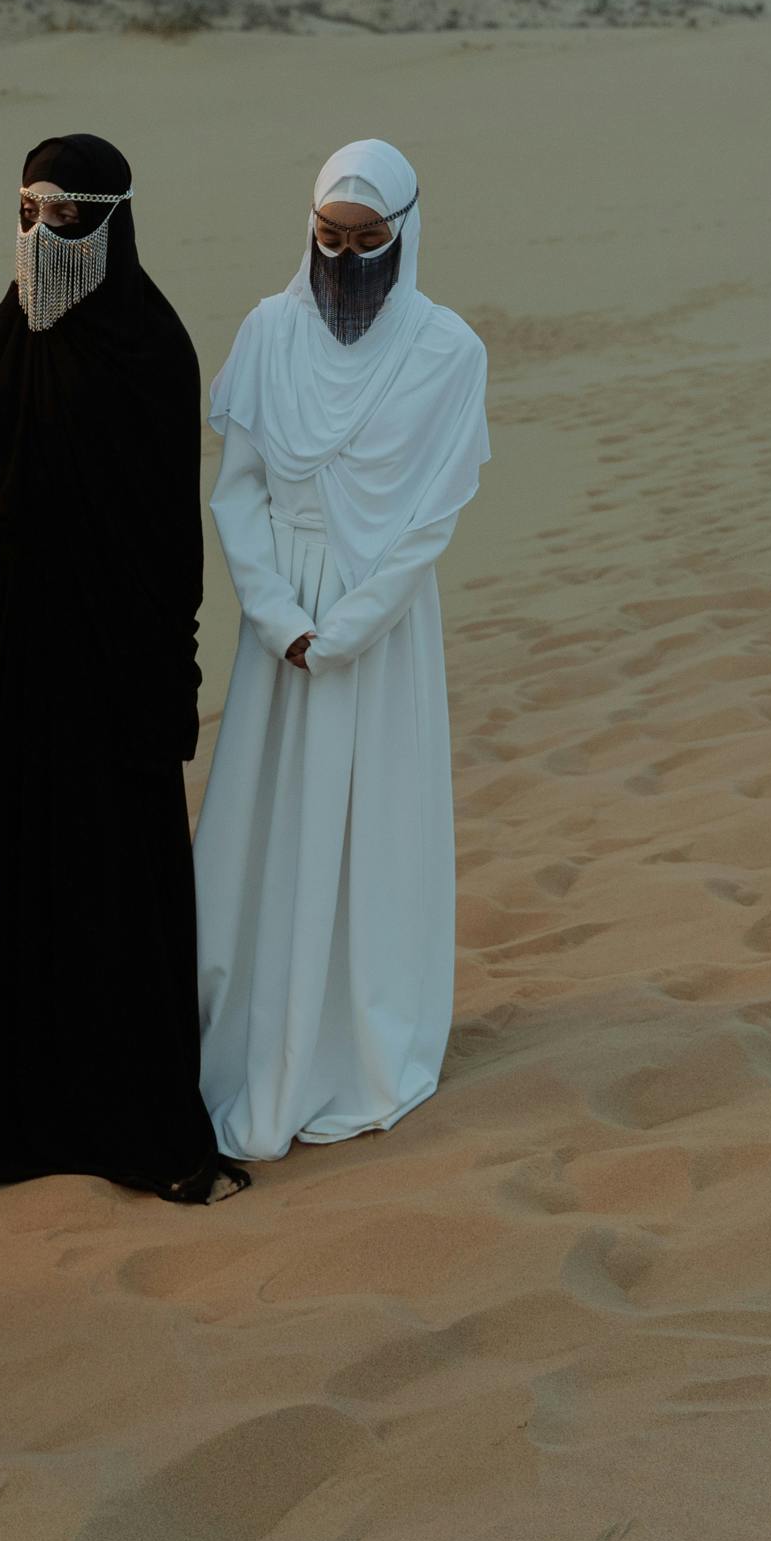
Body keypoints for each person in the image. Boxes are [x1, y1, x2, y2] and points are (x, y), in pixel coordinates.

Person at [0, 135, 247, 1205]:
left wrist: (164, 693)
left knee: (104, 888)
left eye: (69, 216)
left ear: (113, 223)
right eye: (28, 208)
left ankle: (118, 1115)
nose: (44, 234)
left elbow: (170, 541)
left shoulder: (151, 348)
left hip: (105, 670)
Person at [192, 139, 490, 1163]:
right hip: (280, 626)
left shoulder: (448, 349)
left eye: (369, 241)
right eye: (328, 238)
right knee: (265, 827)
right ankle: (255, 1030)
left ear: (404, 233)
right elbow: (235, 490)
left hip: (382, 628)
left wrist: (352, 626)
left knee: (371, 825)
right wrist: (280, 617)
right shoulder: (269, 331)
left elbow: (431, 519)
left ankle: (359, 1036)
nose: (347, 259)